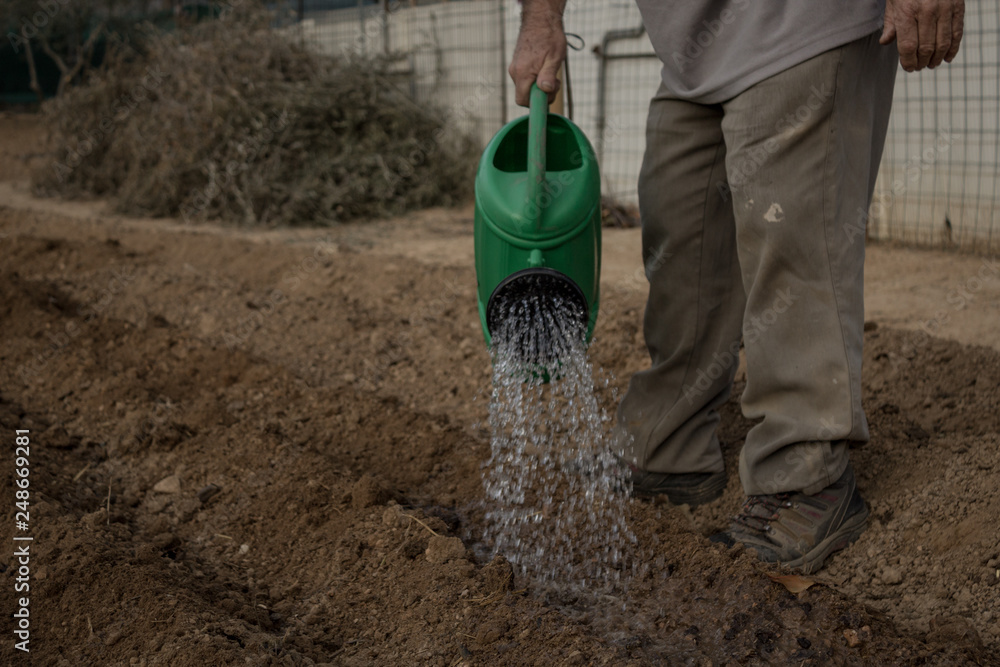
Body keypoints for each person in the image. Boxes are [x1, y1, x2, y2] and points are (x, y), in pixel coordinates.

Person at [509, 0, 964, 573]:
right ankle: (667, 447)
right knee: (682, 246)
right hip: (691, 50)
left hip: (803, 25)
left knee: (793, 245)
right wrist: (540, 17)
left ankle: (807, 474)